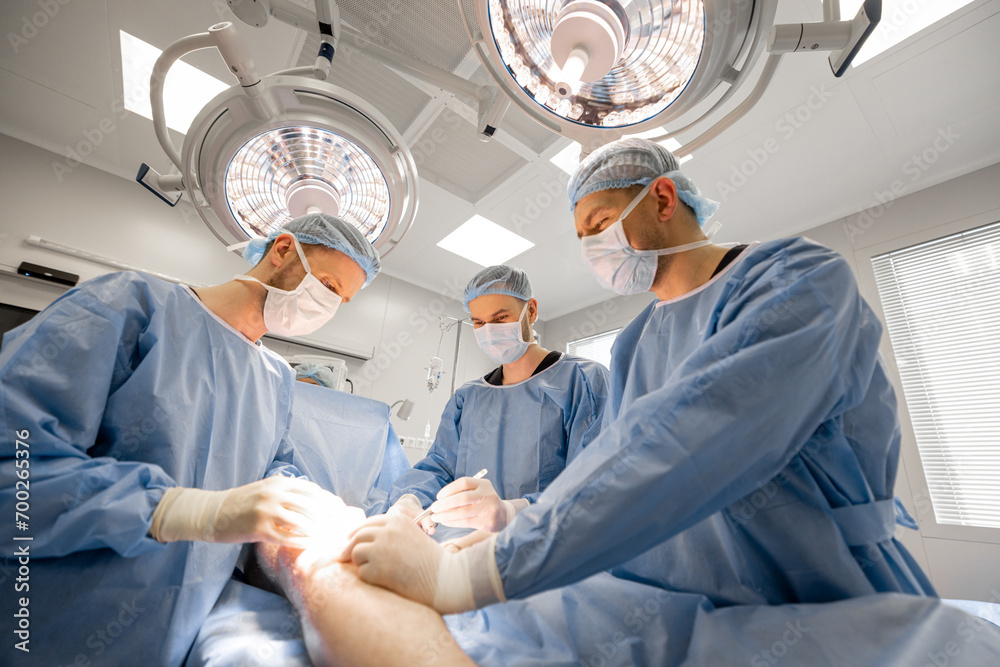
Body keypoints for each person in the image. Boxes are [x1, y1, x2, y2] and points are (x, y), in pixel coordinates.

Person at [255, 137, 997, 665]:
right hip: (671, 590)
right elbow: (610, 467)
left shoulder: (798, 283)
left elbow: (682, 445)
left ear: (663, 199)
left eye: (599, 226)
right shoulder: (637, 342)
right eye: (581, 236)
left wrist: (465, 574)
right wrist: (509, 518)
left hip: (823, 589)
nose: (594, 250)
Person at [0, 213, 378, 665]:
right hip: (57, 619)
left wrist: (317, 508)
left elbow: (272, 467)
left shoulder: (275, 376)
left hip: (175, 630)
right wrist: (183, 511)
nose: (330, 306)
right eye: (329, 285)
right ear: (282, 250)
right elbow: (16, 469)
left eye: (343, 300)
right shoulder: (131, 306)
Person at [383, 265, 610, 535]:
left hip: (547, 548)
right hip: (462, 547)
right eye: (479, 322)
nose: (489, 331)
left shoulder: (582, 380)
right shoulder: (467, 398)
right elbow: (439, 467)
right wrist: (411, 499)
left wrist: (513, 512)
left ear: (532, 311)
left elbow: (595, 480)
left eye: (501, 318)